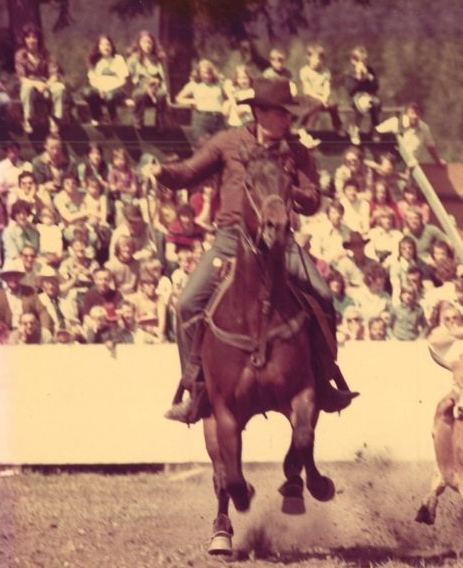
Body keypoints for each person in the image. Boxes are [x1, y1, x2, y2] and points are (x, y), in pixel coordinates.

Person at [142, 77, 357, 423]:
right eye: (283, 113)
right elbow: (186, 173)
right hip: (231, 240)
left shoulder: (296, 151)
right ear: (259, 112)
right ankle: (195, 387)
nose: (289, 120)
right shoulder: (227, 143)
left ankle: (324, 377)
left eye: (291, 114)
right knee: (186, 304)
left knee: (322, 294)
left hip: (280, 242)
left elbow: (313, 200)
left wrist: (290, 193)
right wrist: (160, 171)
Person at [14, 25, 66, 134]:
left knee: (59, 88)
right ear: (25, 40)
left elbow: (54, 74)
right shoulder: (20, 55)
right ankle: (27, 119)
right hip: (30, 84)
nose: (32, 40)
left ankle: (55, 119)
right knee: (26, 88)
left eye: (34, 37)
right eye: (29, 37)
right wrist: (36, 84)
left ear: (38, 39)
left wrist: (46, 85)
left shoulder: (47, 54)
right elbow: (21, 78)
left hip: (46, 84)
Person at [375, 102, 444, 166]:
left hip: (411, 166)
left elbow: (430, 147)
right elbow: (375, 133)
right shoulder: (395, 122)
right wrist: (382, 157)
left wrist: (438, 161)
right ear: (406, 114)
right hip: (392, 163)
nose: (415, 116)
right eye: (412, 113)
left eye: (417, 113)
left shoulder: (424, 128)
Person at [176, 58, 226, 143]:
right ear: (199, 73)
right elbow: (179, 98)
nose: (206, 76)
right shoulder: (194, 84)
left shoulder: (219, 84)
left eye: (209, 73)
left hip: (218, 119)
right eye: (204, 73)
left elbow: (229, 96)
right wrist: (191, 101)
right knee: (203, 147)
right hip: (202, 119)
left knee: (221, 146)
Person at [126, 31, 169, 129]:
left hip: (157, 87)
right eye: (144, 42)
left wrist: (167, 95)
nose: (147, 45)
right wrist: (128, 96)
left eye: (149, 42)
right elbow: (127, 78)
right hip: (141, 87)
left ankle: (160, 122)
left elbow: (164, 78)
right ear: (139, 44)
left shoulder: (159, 59)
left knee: (162, 95)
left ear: (153, 44)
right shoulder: (133, 60)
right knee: (139, 94)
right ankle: (138, 121)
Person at [83, 35, 128, 126]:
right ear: (98, 47)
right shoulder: (94, 60)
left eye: (108, 45)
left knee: (110, 96)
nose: (106, 47)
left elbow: (123, 80)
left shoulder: (118, 59)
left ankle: (113, 117)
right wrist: (100, 88)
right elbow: (92, 80)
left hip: (116, 90)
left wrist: (108, 89)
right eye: (103, 45)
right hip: (99, 90)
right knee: (87, 92)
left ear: (112, 46)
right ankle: (97, 117)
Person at [299, 44, 342, 134]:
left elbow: (327, 87)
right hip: (310, 97)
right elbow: (307, 90)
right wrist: (321, 99)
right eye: (315, 58)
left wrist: (325, 97)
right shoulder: (304, 71)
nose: (317, 61)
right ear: (309, 58)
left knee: (333, 104)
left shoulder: (325, 72)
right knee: (316, 104)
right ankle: (307, 129)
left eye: (320, 59)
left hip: (323, 98)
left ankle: (338, 126)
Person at [345, 45, 380, 139]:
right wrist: (358, 78)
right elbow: (350, 90)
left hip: (370, 96)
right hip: (356, 97)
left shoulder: (370, 70)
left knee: (375, 103)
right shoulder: (350, 72)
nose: (364, 64)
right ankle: (355, 130)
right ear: (354, 61)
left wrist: (369, 77)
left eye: (365, 61)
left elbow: (376, 87)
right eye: (361, 61)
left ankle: (375, 129)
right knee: (360, 105)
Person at [0, 141, 26, 206]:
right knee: (13, 198)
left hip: (24, 194)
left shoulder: (26, 165)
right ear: (6, 153)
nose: (13, 155)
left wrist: (10, 185)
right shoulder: (0, 166)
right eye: (10, 152)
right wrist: (15, 186)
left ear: (19, 152)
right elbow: (0, 189)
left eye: (15, 152)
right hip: (8, 197)